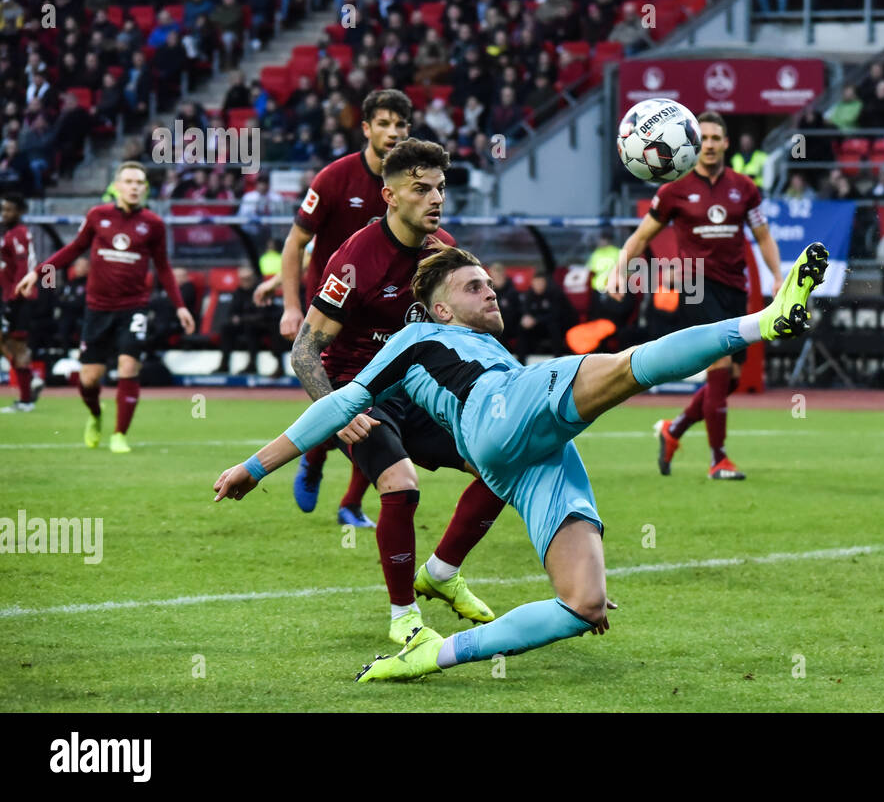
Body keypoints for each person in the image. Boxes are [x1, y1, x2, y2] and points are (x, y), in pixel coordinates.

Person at [213, 241, 829, 681]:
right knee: (623, 367)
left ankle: (431, 655)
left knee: (583, 603)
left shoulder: (478, 343)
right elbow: (341, 403)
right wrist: (256, 465)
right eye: (473, 286)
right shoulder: (418, 338)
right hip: (499, 410)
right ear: (441, 309)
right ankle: (767, 321)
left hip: (520, 458)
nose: (491, 290)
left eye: (490, 282)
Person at [287, 139, 501, 643]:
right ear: (390, 196)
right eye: (421, 189)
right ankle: (403, 615)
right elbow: (304, 353)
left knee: (502, 463)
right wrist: (337, 413)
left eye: (441, 189)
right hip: (357, 389)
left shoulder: (443, 253)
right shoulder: (356, 259)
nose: (436, 199)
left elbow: (472, 330)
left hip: (417, 389)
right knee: (401, 485)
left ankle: (443, 573)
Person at [256, 89, 413, 527]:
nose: (393, 132)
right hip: (332, 310)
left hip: (386, 313)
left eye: (401, 125)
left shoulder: (410, 185)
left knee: (383, 402)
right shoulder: (333, 179)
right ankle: (314, 458)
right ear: (365, 128)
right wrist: (289, 303)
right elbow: (296, 243)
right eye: (383, 123)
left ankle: (351, 503)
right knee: (340, 398)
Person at [608, 111, 783, 480]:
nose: (711, 144)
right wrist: (619, 269)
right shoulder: (674, 188)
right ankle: (718, 460)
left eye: (717, 138)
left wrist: (778, 277)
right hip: (697, 286)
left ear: (726, 144)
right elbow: (641, 237)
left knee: (733, 378)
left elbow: (764, 236)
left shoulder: (745, 188)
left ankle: (674, 430)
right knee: (718, 368)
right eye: (704, 137)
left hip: (736, 287)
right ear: (694, 142)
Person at [16, 162, 196, 451]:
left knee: (128, 366)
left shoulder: (153, 224)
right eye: (129, 181)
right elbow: (74, 249)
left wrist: (180, 306)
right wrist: (38, 272)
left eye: (140, 182)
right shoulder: (97, 216)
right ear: (117, 186)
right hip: (98, 308)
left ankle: (119, 434)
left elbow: (163, 267)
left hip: (134, 307)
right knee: (89, 379)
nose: (135, 187)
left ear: (145, 188)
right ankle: (96, 415)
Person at [0, 194, 39, 412]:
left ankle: (26, 400)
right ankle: (30, 381)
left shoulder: (19, 234)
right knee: (7, 344)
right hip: (10, 297)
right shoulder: (10, 234)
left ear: (21, 212)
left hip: (20, 298)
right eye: (3, 209)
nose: (5, 214)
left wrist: (14, 296)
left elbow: (24, 268)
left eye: (9, 210)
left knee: (18, 346)